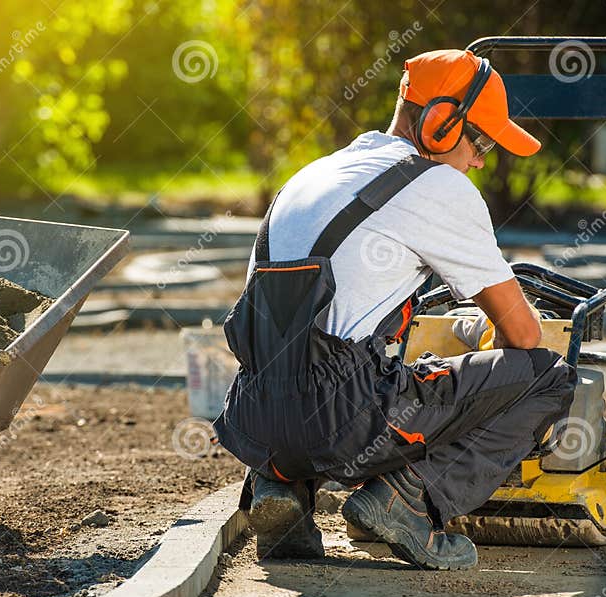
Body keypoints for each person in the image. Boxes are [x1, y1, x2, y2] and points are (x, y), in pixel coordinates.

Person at [214, 49, 577, 570]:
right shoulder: (437, 185)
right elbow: (522, 334)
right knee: (546, 378)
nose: (479, 160)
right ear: (441, 122)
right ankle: (405, 498)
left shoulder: (312, 175)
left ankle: (282, 487)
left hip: (252, 412)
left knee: (328, 360)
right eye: (481, 142)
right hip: (341, 419)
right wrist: (475, 377)